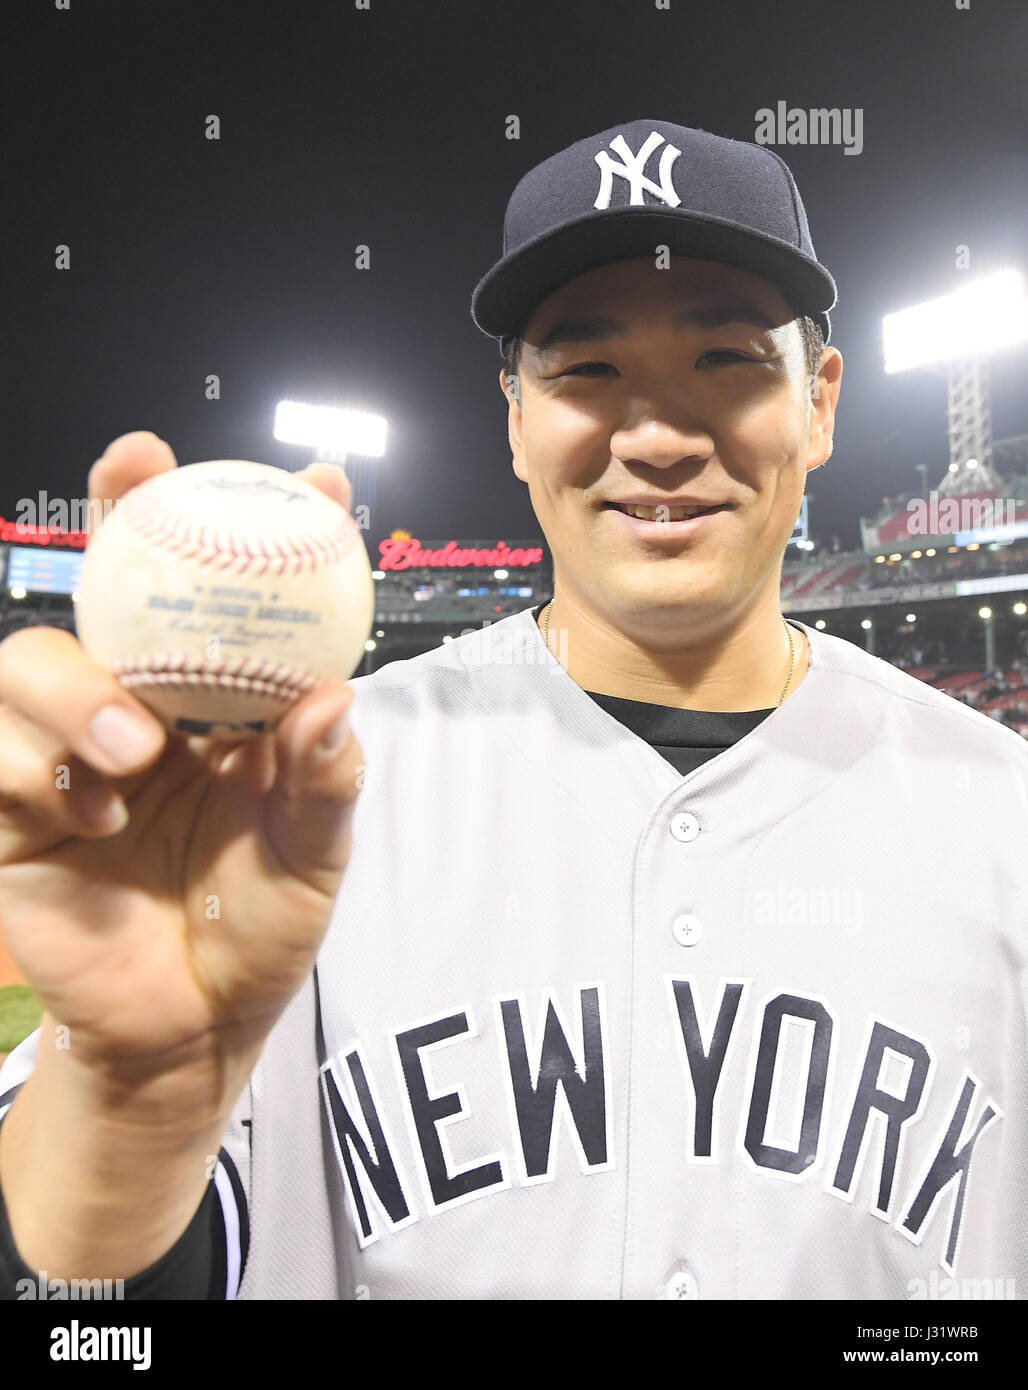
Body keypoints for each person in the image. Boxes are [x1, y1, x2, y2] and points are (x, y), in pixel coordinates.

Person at [1, 119, 1026, 1301]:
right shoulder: (312, 795)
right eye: (584, 370)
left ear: (818, 404)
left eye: (728, 358)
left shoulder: (994, 811)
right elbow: (74, 1299)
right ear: (513, 420)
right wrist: (124, 1101)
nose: (654, 436)